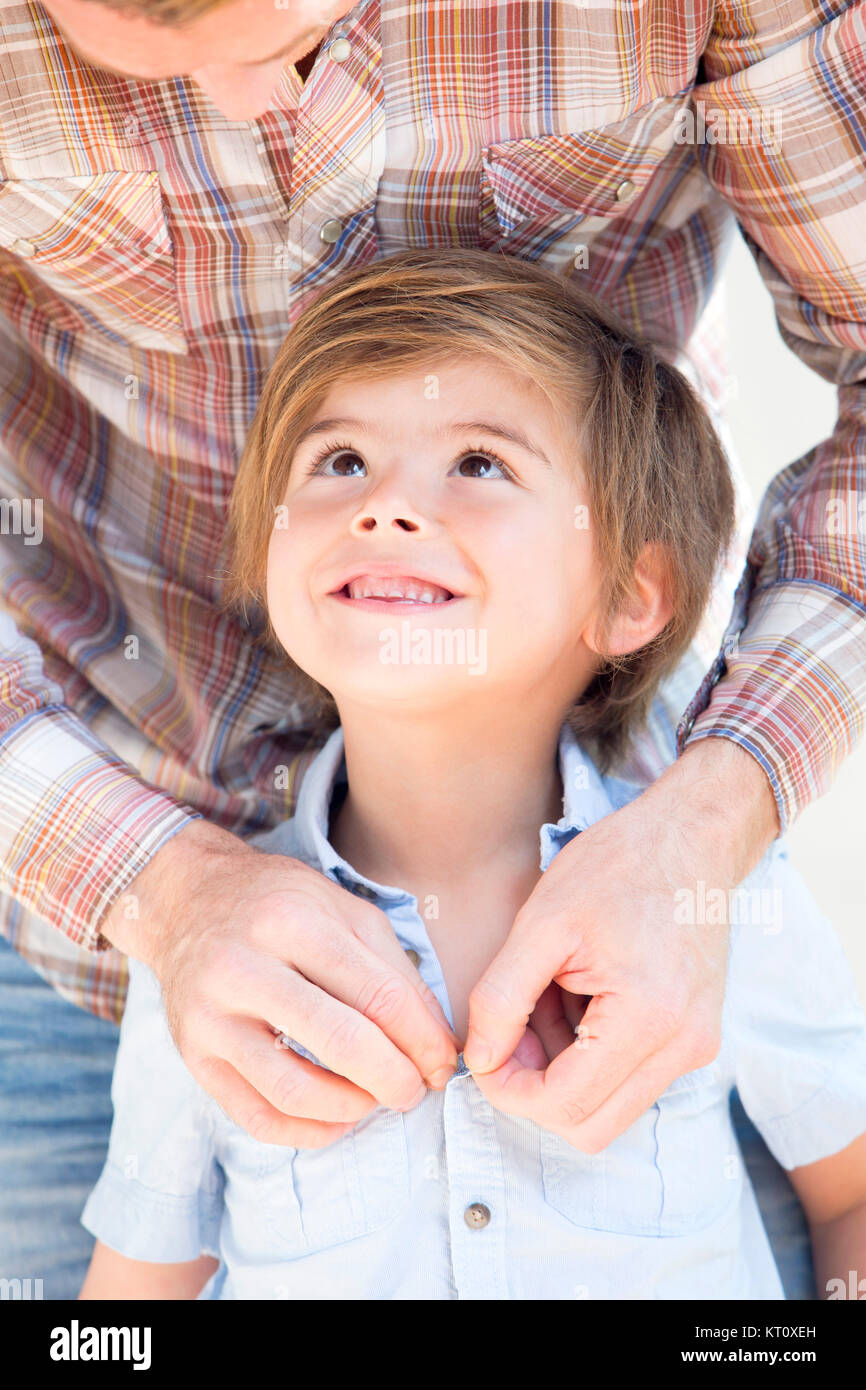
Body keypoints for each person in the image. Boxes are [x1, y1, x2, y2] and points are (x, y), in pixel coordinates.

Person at [1, 0, 863, 1298]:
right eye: (337, 460)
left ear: (632, 595)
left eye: (474, 464)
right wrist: (154, 890)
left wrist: (717, 817)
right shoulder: (195, 994)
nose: (383, 507)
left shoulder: (725, 906)